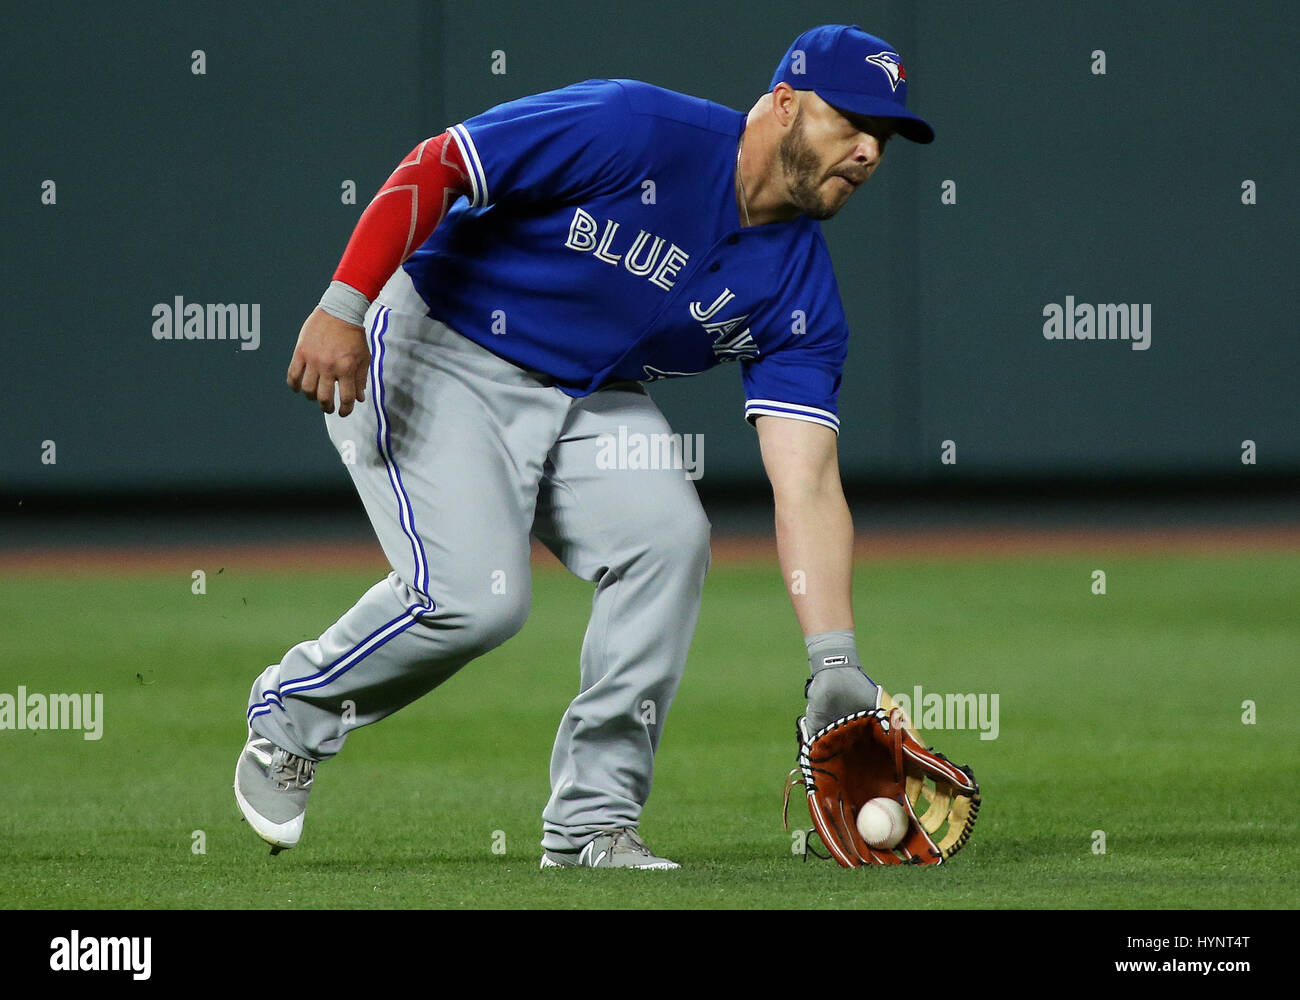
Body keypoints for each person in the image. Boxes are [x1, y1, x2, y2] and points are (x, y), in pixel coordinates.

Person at [234, 24, 934, 869]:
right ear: (783, 103)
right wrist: (344, 303)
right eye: (851, 120)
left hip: (588, 392)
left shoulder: (801, 293)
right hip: (439, 342)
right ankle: (290, 716)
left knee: (668, 543)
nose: (867, 150)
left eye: (884, 137)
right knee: (477, 600)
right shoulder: (636, 128)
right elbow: (439, 162)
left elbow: (810, 485)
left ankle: (591, 825)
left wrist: (835, 661)